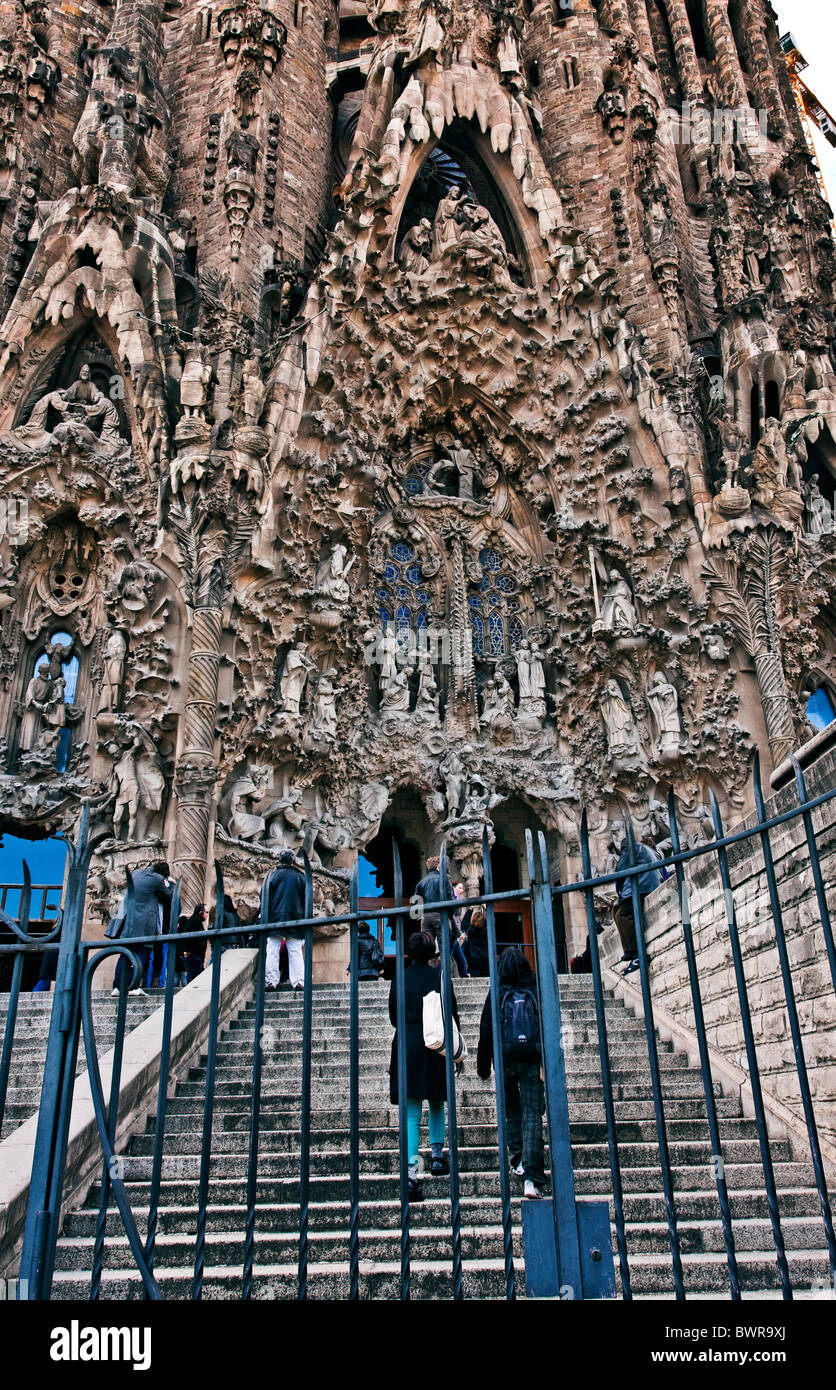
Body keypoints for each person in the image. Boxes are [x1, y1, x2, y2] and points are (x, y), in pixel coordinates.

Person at [389, 930, 461, 1203]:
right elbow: (451, 1014)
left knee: (411, 1110)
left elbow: (393, 1016)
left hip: (408, 1043)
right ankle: (438, 1155)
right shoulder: (439, 978)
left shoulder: (399, 978)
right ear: (433, 954)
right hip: (436, 1043)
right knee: (436, 1101)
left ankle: (411, 1170)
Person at [476, 947, 546, 1199]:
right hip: (532, 1058)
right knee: (532, 1114)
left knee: (512, 1110)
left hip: (505, 1058)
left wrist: (483, 1065)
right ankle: (532, 1176)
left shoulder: (497, 992)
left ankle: (518, 1157)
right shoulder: (537, 989)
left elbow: (486, 1031)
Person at [112, 861, 173, 996]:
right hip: (144, 924)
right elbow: (169, 895)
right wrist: (169, 882)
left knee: (125, 954)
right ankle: (133, 987)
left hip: (128, 921)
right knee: (140, 955)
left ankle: (117, 986)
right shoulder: (158, 879)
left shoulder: (136, 873)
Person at [613, 835, 664, 975]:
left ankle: (636, 954)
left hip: (639, 887)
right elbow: (663, 872)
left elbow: (620, 871)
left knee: (622, 915)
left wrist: (619, 891)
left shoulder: (630, 849)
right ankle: (630, 952)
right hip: (653, 886)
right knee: (617, 911)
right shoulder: (654, 853)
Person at [264, 848, 306, 991]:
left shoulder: (272, 876)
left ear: (280, 860)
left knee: (272, 950)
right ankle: (298, 981)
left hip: (274, 917)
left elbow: (264, 898)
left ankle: (271, 981)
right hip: (295, 917)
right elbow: (307, 899)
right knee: (295, 950)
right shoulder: (301, 876)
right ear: (293, 860)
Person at [174, 903, 207, 986]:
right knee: (193, 978)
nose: (207, 914)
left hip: (195, 955)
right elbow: (188, 938)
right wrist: (187, 951)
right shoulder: (195, 922)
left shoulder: (195, 921)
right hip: (194, 956)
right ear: (200, 913)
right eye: (206, 912)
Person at [450, 883, 470, 978]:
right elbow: (453, 917)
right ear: (453, 888)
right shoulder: (453, 900)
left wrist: (460, 931)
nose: (461, 890)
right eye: (459, 888)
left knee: (460, 959)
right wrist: (459, 933)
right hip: (451, 933)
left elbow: (458, 919)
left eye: (462, 888)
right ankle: (464, 976)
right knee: (451, 959)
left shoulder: (457, 900)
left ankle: (464, 976)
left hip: (453, 934)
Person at [464, 906, 490, 977]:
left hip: (473, 958)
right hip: (485, 958)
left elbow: (464, 923)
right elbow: (491, 921)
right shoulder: (486, 930)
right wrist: (486, 909)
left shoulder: (470, 930)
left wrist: (470, 909)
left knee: (475, 978)